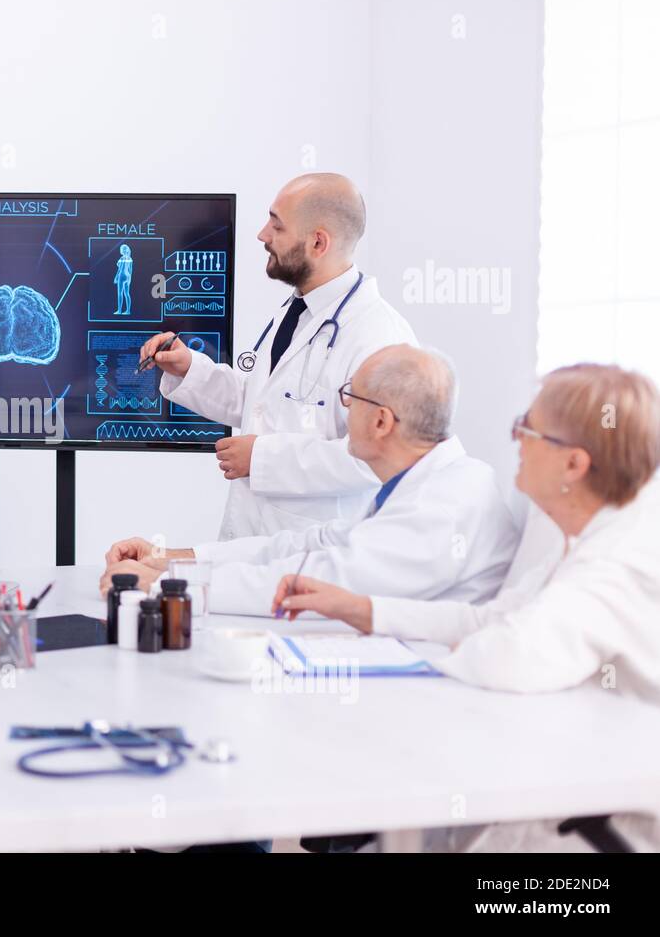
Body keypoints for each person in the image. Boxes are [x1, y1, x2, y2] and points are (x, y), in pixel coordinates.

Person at [273, 363, 660, 851]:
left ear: (574, 465)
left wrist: (412, 675)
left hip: (603, 818)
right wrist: (361, 608)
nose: (516, 438)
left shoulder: (620, 563)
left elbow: (511, 654)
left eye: (527, 428)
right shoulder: (584, 535)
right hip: (562, 769)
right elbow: (491, 619)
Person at [102, 345, 519, 615]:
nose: (342, 408)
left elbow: (317, 581)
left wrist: (168, 582)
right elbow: (308, 544)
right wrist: (173, 557)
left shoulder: (443, 508)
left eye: (350, 397)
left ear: (380, 421)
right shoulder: (427, 482)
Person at [140, 173, 416, 541]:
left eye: (277, 225)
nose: (262, 235)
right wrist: (190, 369)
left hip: (317, 556)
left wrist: (264, 458)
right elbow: (265, 405)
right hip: (255, 543)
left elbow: (378, 458)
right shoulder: (299, 309)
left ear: (318, 242)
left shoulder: (379, 337)